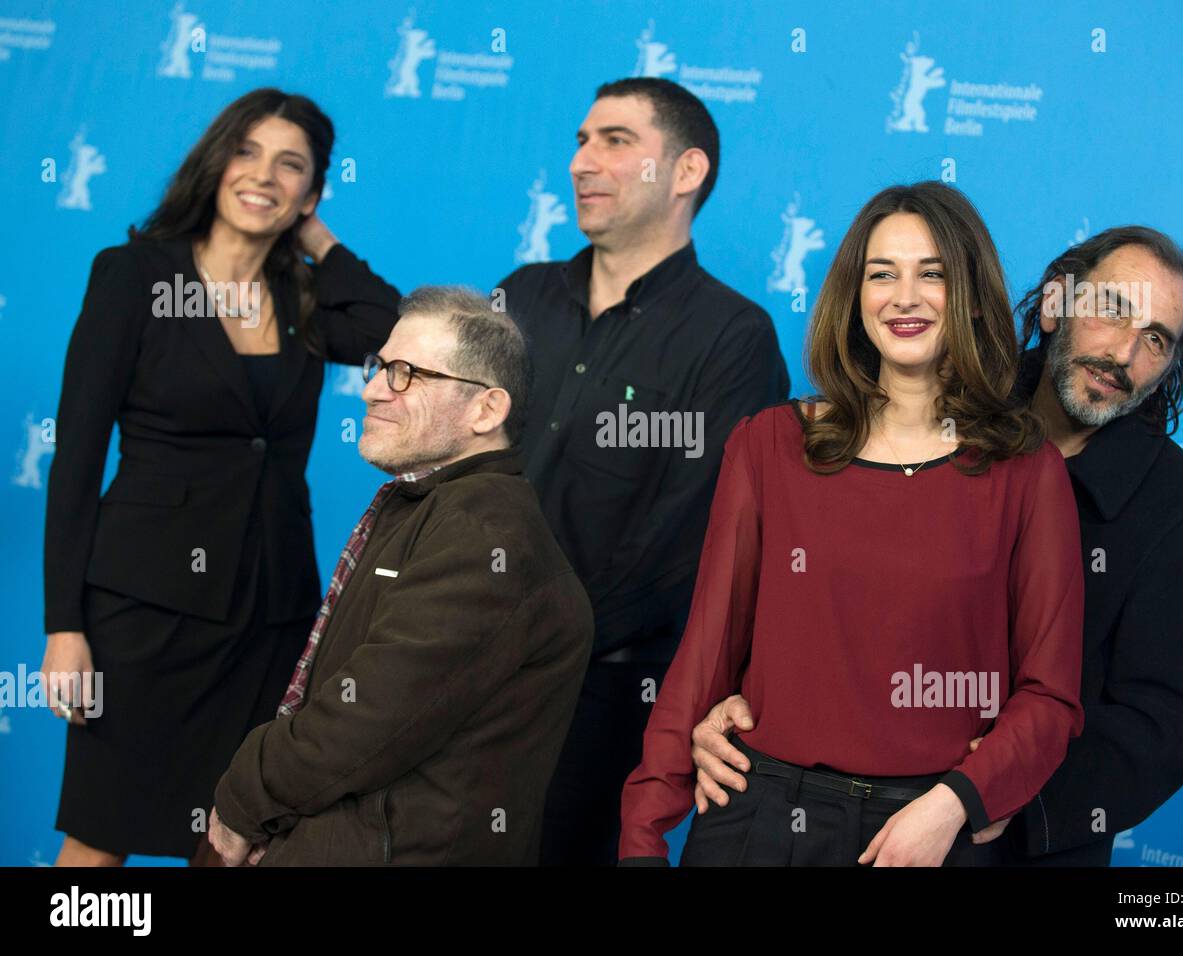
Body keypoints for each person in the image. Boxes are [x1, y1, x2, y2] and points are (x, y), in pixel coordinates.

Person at [685, 225, 1183, 866]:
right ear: (1056, 304)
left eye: (1156, 340)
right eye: (1112, 311)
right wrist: (742, 704)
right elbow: (816, 587)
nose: (1124, 354)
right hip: (843, 812)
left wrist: (998, 792)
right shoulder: (922, 414)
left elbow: (1169, 719)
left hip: (1017, 845)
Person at [618, 181, 1086, 866]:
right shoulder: (770, 445)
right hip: (759, 815)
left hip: (926, 832)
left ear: (970, 295)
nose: (904, 297)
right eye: (881, 274)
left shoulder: (1027, 471)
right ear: (852, 294)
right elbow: (705, 654)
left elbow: (1050, 696)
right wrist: (642, 837)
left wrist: (959, 800)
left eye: (933, 274)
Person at [40, 87, 402, 866]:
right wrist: (64, 628)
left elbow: (395, 330)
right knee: (102, 838)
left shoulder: (303, 295)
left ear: (311, 190)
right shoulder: (133, 275)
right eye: (248, 152)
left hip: (267, 613)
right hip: (143, 613)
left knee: (239, 843)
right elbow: (74, 460)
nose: (263, 176)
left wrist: (318, 238)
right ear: (215, 160)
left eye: (290, 166)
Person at [495, 77, 789, 865]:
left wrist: (540, 638)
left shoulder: (734, 338)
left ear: (686, 172)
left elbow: (687, 543)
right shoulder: (520, 296)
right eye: (581, 141)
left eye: (616, 141)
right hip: (464, 663)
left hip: (602, 696)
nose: (583, 161)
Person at [208, 288, 594, 865]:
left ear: (486, 410)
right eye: (380, 366)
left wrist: (244, 799)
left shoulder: (482, 538)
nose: (371, 389)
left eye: (406, 373)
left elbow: (362, 721)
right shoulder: (423, 506)